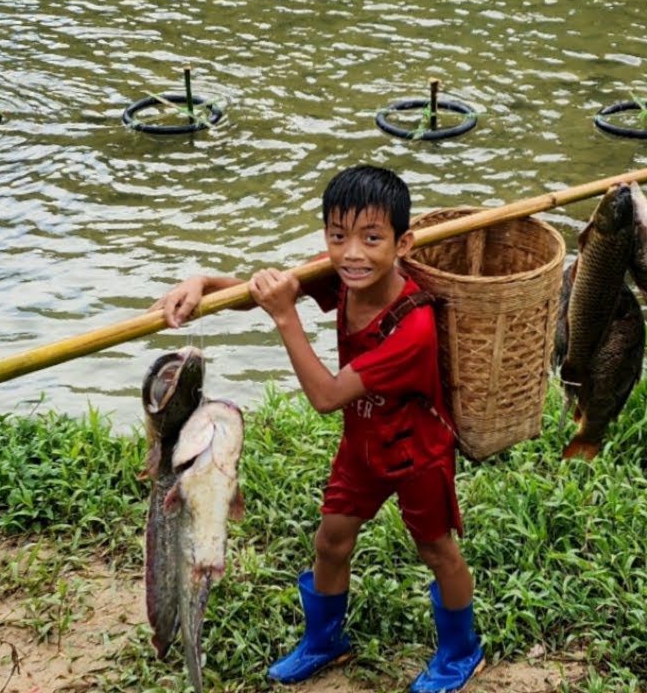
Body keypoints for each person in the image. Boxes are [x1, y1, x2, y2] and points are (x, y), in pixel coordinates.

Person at [153, 165, 483, 692]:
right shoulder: (347, 273)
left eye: (372, 238)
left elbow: (326, 397)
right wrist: (203, 284)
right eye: (337, 236)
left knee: (436, 549)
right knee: (331, 541)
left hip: (417, 451)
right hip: (363, 446)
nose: (352, 253)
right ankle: (325, 639)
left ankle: (462, 650)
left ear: (404, 242)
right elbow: (263, 289)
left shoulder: (413, 327)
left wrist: (287, 317)